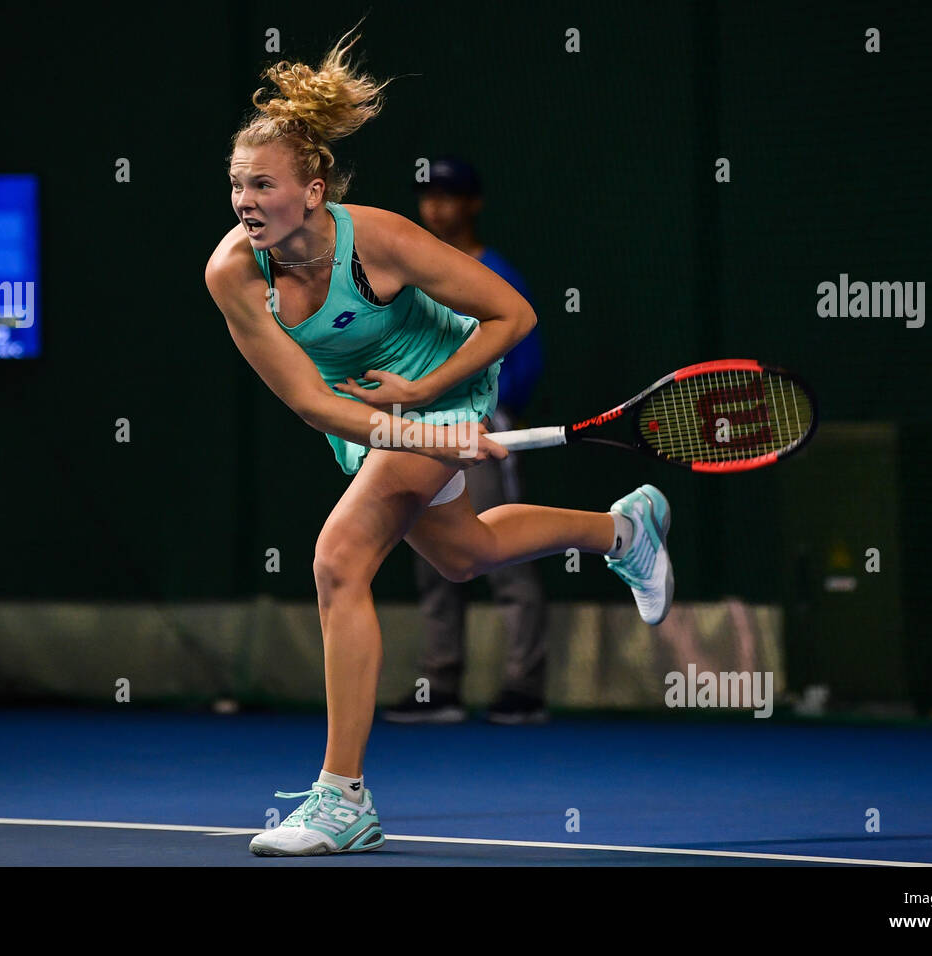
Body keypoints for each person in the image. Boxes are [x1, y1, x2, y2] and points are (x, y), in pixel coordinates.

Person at [204, 25, 675, 858]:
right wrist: (411, 430)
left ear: (313, 191)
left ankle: (342, 796)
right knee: (461, 554)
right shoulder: (235, 274)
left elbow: (514, 315)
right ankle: (624, 530)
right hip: (367, 413)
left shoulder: (379, 239)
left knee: (337, 560)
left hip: (441, 373)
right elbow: (314, 404)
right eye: (237, 185)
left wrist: (427, 401)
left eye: (263, 186)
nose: (245, 202)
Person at [383, 157, 550, 725]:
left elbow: (523, 354)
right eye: (427, 195)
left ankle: (525, 687)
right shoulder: (407, 273)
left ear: (473, 204)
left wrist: (488, 413)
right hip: (422, 434)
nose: (435, 206)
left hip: (481, 430)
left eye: (449, 196)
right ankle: (440, 685)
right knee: (434, 557)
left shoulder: (495, 271)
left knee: (501, 551)